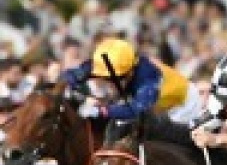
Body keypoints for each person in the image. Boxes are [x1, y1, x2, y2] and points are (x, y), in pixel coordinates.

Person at [61, 37, 203, 125]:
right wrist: (67, 85)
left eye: (111, 79)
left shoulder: (149, 80)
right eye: (105, 78)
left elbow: (136, 111)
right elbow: (71, 75)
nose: (106, 82)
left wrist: (101, 111)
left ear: (130, 73)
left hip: (182, 107)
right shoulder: (110, 63)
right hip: (144, 100)